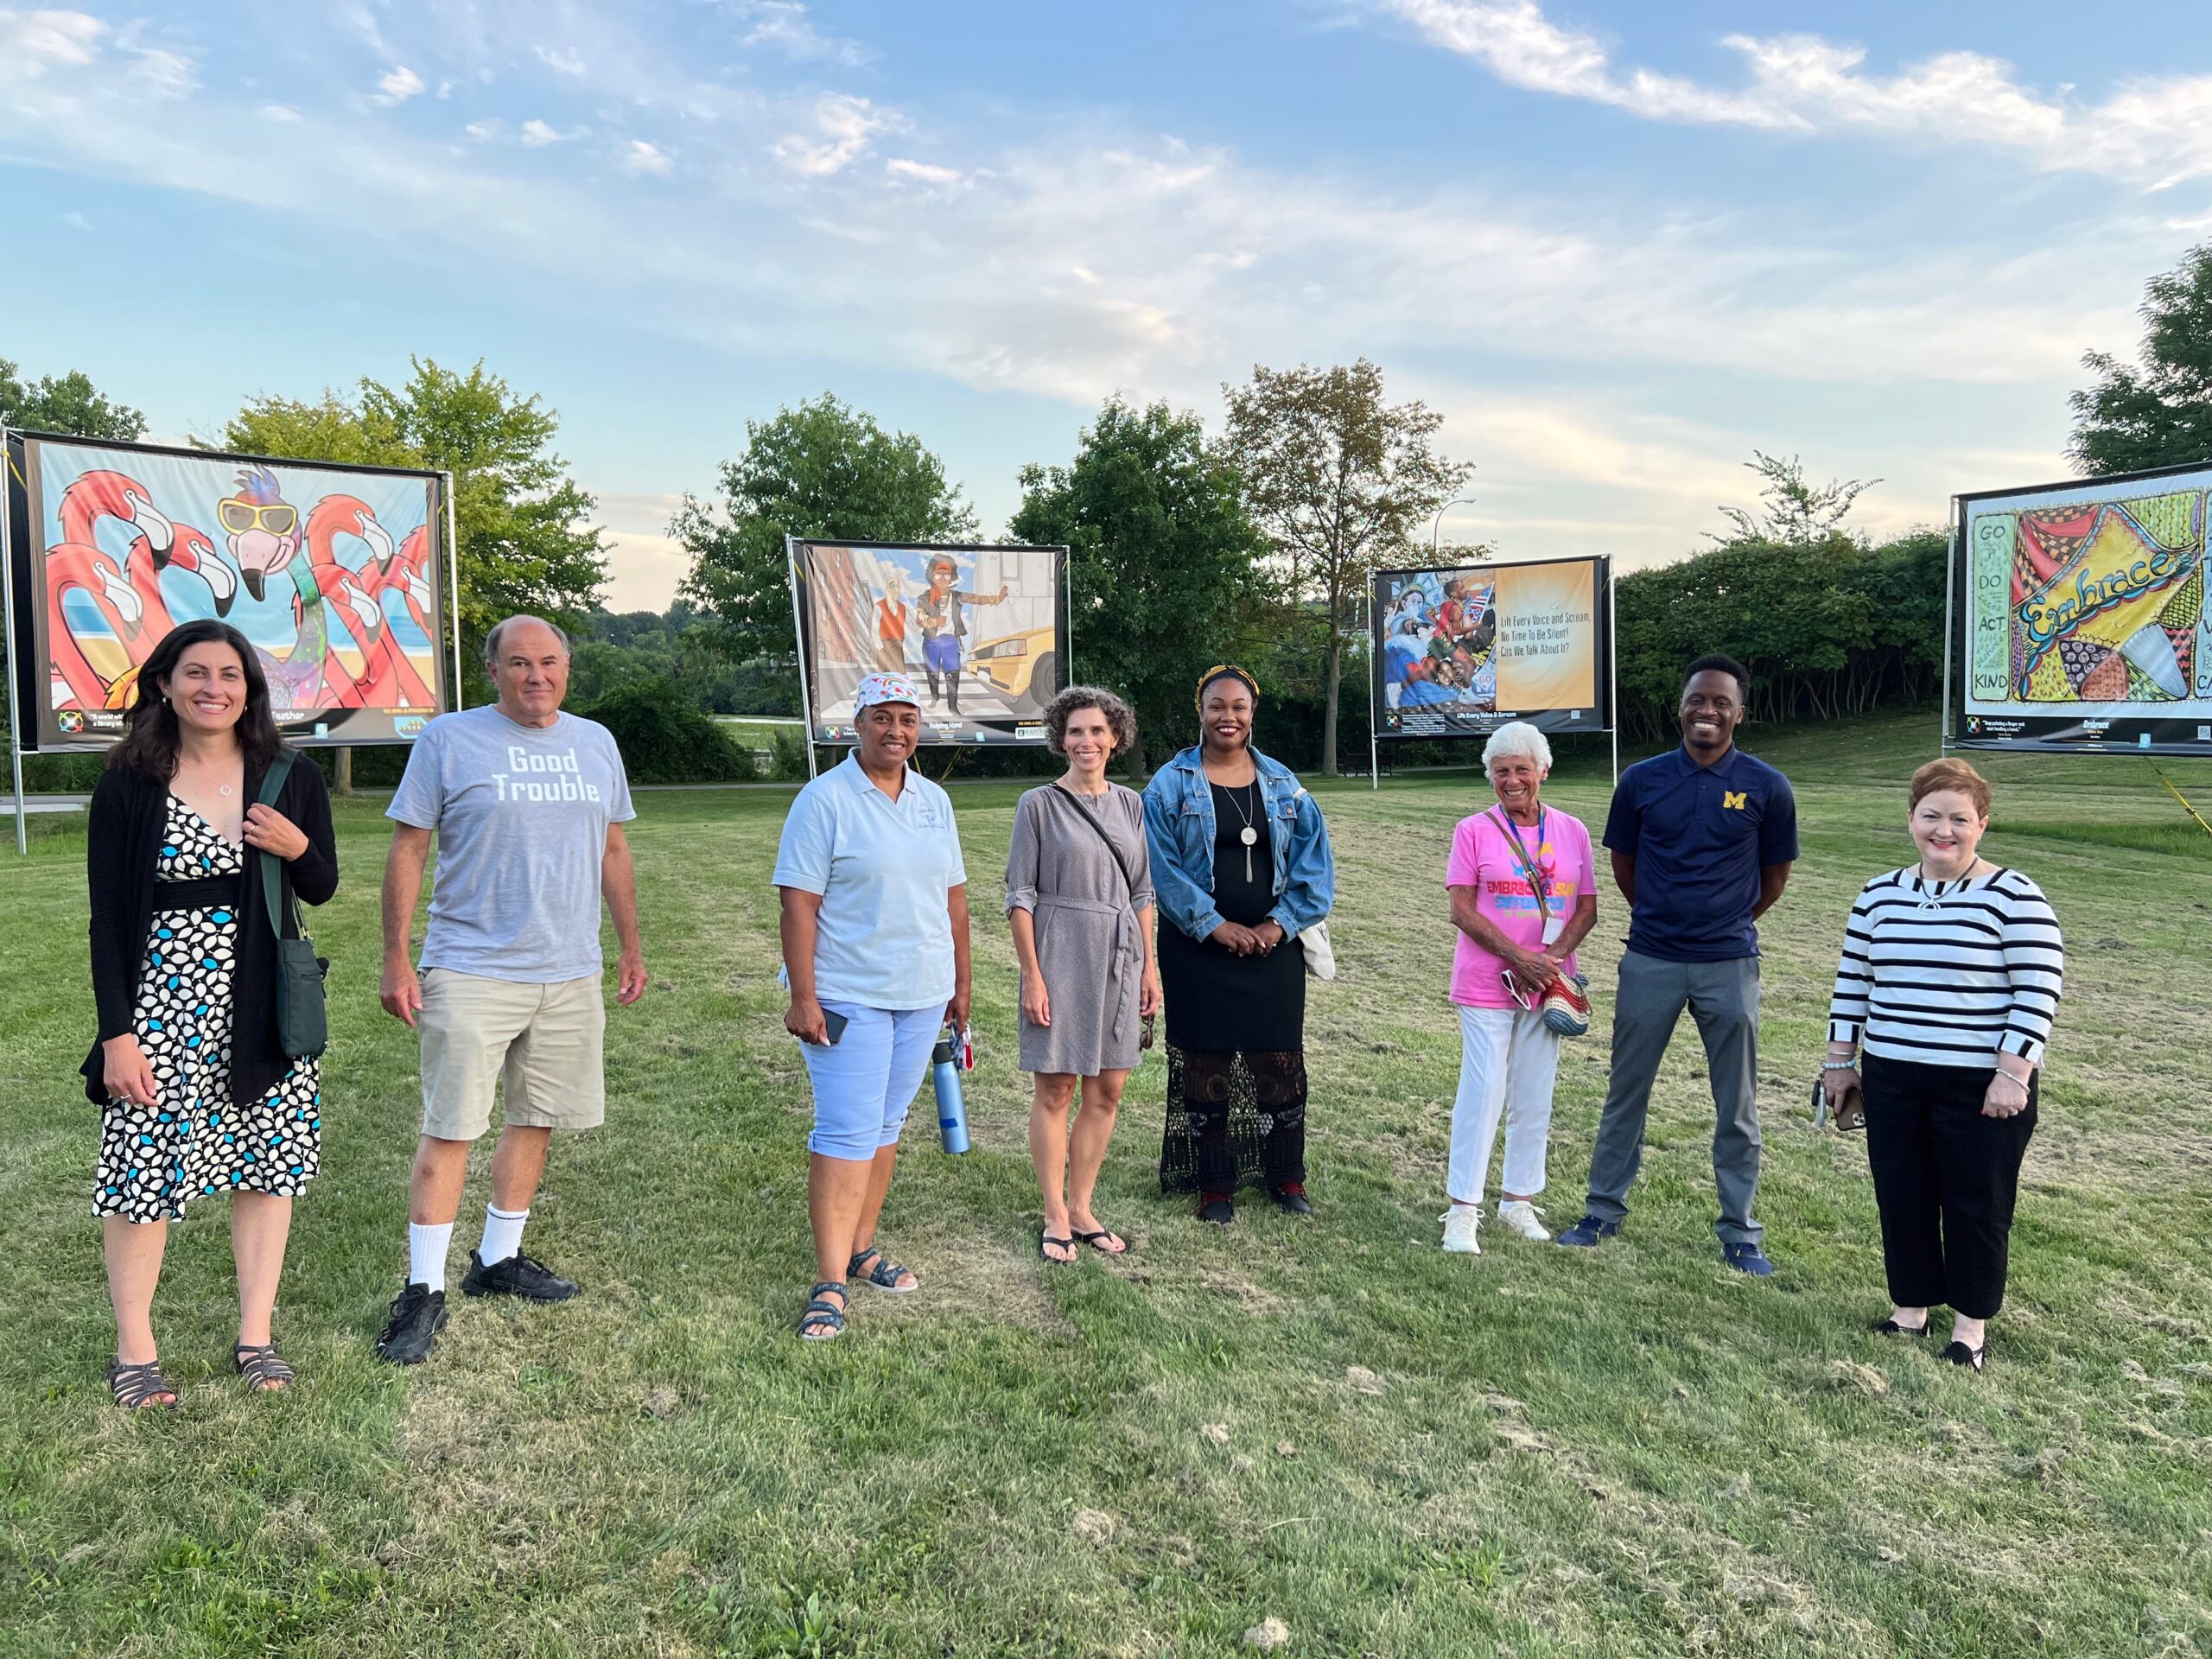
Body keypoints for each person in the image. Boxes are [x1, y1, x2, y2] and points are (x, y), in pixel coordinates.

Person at [372, 615, 648, 1365]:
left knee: (537, 1117)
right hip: (470, 965)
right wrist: (397, 958)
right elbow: (409, 846)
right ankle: (422, 1290)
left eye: (550, 662)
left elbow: (613, 846)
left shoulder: (596, 742)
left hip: (568, 969)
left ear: (568, 669)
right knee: (453, 1125)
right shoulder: (449, 740)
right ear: (492, 670)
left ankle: (497, 1260)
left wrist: (628, 943)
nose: (537, 677)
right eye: (520, 663)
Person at [83, 619, 337, 1405]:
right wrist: (118, 1034)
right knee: (141, 1172)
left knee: (267, 1166)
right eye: (195, 674)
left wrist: (297, 849)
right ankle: (135, 1349)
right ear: (164, 682)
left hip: (261, 1002)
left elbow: (321, 886)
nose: (212, 689)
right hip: (162, 1007)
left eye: (230, 676)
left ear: (249, 690)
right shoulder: (130, 782)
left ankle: (256, 1338)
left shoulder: (289, 774)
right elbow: (107, 920)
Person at [1557, 654, 1797, 1274]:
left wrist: (1726, 922)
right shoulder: (1641, 780)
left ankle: (1740, 1232)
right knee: (1625, 1094)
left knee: (1737, 1107)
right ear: (1682, 705)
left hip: (1729, 964)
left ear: (1741, 712)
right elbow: (1624, 867)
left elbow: (1774, 879)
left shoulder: (1769, 786)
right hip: (1651, 960)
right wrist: (1663, 920)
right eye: (1698, 699)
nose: (1708, 710)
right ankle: (1601, 1211)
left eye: (1721, 702)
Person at [1823, 759, 2063, 1371]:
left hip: (1981, 1083)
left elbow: (2037, 990)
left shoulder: (2014, 895)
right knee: (1902, 1194)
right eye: (1931, 816)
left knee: (1974, 1202)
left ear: (1982, 823)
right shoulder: (1878, 895)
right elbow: (1853, 983)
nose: (1944, 830)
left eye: (1960, 818)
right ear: (1911, 820)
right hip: (1893, 1073)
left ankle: (1969, 1328)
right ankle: (1910, 1311)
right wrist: (1840, 1063)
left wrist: (2014, 1074)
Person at [775, 672, 971, 1339]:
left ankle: (861, 1251)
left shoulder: (933, 800)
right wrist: (804, 996)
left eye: (908, 719)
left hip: (921, 992)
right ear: (855, 725)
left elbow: (953, 898)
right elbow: (798, 902)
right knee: (845, 1133)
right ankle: (829, 1282)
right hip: (846, 993)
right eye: (882, 717)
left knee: (885, 1127)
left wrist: (960, 984)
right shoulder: (824, 799)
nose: (896, 731)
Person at [1143, 665, 1335, 1224]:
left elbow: (1314, 866)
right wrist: (1214, 925)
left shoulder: (1283, 784)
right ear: (1199, 712)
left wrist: (1278, 925)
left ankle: (1285, 1177)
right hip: (1197, 952)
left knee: (1280, 1063)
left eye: (1239, 707)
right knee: (1207, 1066)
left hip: (1274, 953)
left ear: (1253, 713)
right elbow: (1162, 868)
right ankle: (1215, 1187)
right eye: (1216, 706)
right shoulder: (1170, 784)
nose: (1228, 716)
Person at [1006, 686, 1163, 1263]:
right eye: (1076, 731)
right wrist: (1032, 975)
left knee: (1109, 1089)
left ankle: (1082, 1206)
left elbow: (1143, 891)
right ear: (1060, 739)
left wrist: (1150, 968)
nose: (1087, 741)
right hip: (1062, 950)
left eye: (1098, 731)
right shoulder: (1038, 806)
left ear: (1115, 737)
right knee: (1057, 1087)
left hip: (1121, 955)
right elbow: (1020, 894)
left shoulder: (1131, 805)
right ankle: (1052, 1213)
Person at [1440, 722, 1598, 1255]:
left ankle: (1518, 1200)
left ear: (1543, 772)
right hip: (1488, 980)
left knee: (1535, 1093)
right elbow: (1460, 908)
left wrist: (1548, 961)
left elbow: (1586, 907)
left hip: (1548, 983)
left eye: (1521, 770)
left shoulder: (1573, 831)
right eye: (1501, 771)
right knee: (1483, 1092)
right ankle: (1463, 1210)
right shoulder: (1473, 831)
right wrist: (1517, 956)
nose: (1511, 780)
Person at [913, 555, 1007, 714]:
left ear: (951, 578)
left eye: (946, 574)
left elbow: (977, 599)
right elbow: (919, 619)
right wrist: (934, 621)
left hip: (950, 640)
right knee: (932, 672)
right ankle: (934, 697)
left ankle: (952, 706)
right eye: (938, 574)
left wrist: (996, 599)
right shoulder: (924, 598)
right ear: (932, 576)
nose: (943, 578)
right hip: (931, 641)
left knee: (953, 673)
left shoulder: (957, 596)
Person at [874, 575, 911, 675]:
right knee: (883, 676)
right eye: (893, 586)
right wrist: (881, 647)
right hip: (885, 644)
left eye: (898, 586)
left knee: (901, 675)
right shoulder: (879, 607)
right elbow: (874, 629)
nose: (896, 589)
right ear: (886, 588)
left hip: (898, 644)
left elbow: (913, 624)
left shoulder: (903, 608)